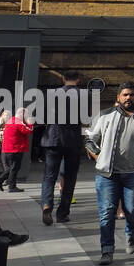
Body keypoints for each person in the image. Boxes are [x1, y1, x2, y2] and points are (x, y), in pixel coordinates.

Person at [84, 82, 134, 265]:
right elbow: (90, 138)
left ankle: (131, 234)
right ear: (118, 97)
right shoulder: (105, 115)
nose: (128, 98)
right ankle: (107, 250)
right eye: (125, 95)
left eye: (132, 94)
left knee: (132, 210)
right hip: (107, 174)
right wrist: (98, 156)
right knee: (107, 212)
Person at [41, 71, 86, 224]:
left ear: (63, 79)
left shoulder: (52, 93)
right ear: (78, 80)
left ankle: (47, 204)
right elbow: (86, 118)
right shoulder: (84, 95)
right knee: (69, 177)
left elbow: (42, 116)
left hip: (53, 138)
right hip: (73, 141)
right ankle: (62, 213)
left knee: (49, 176)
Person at [0, 107, 34, 192]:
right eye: (26, 114)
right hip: (15, 149)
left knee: (11, 169)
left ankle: (9, 185)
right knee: (14, 168)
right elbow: (29, 130)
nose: (27, 116)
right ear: (22, 114)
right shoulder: (18, 122)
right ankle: (5, 184)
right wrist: (30, 123)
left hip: (7, 149)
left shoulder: (11, 121)